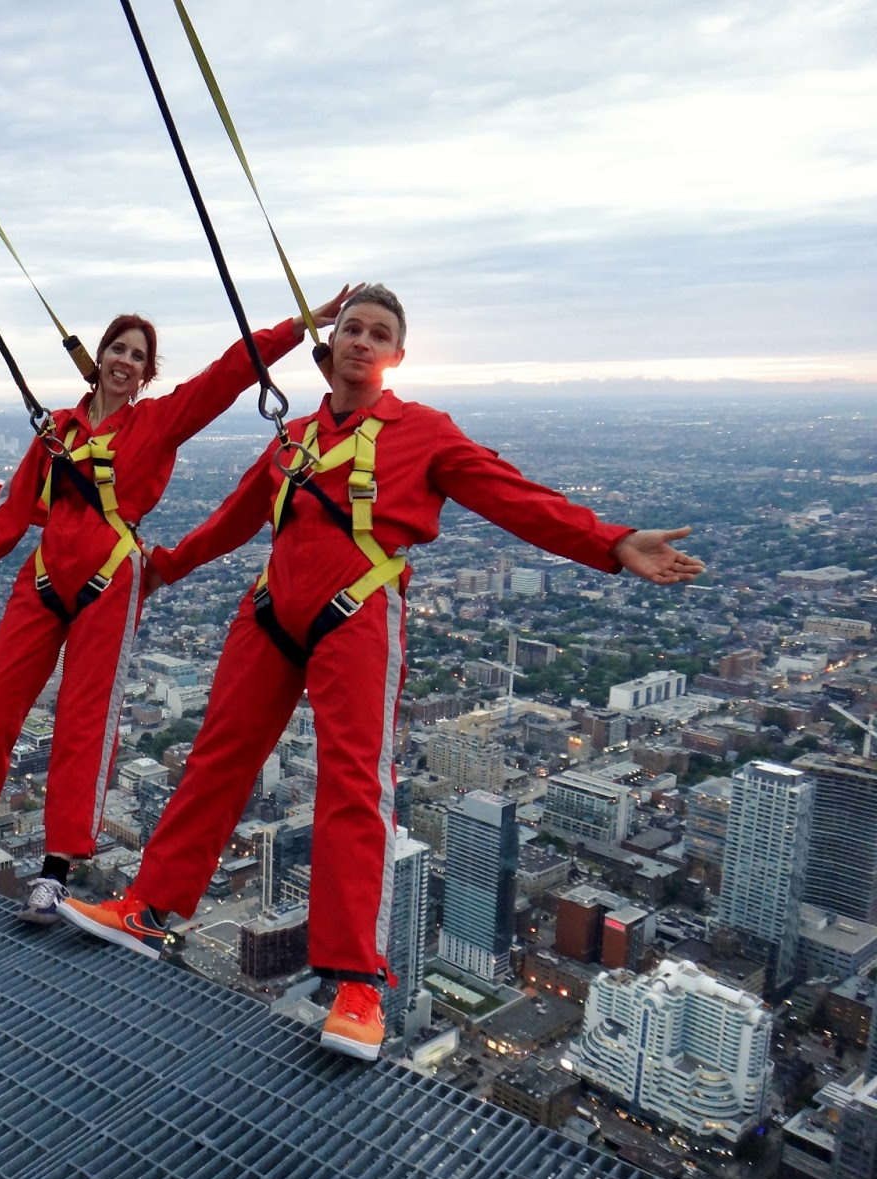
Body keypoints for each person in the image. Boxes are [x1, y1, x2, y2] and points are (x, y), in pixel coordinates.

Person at [59, 284, 703, 1060]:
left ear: (396, 355)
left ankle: (358, 984)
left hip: (356, 610)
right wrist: (164, 568)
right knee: (217, 761)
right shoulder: (295, 438)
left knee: (354, 782)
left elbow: (512, 497)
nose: (362, 340)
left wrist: (612, 542)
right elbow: (235, 516)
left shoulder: (423, 432)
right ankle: (150, 906)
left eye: (378, 333)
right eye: (352, 329)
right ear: (330, 348)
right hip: (269, 610)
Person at [0, 285, 359, 922]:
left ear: (147, 374)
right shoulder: (57, 429)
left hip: (109, 580)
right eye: (118, 348)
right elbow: (16, 504)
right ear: (100, 356)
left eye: (138, 356)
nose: (125, 361)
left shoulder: (155, 423)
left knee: (83, 722)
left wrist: (299, 325)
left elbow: (226, 374)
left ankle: (55, 873)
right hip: (43, 577)